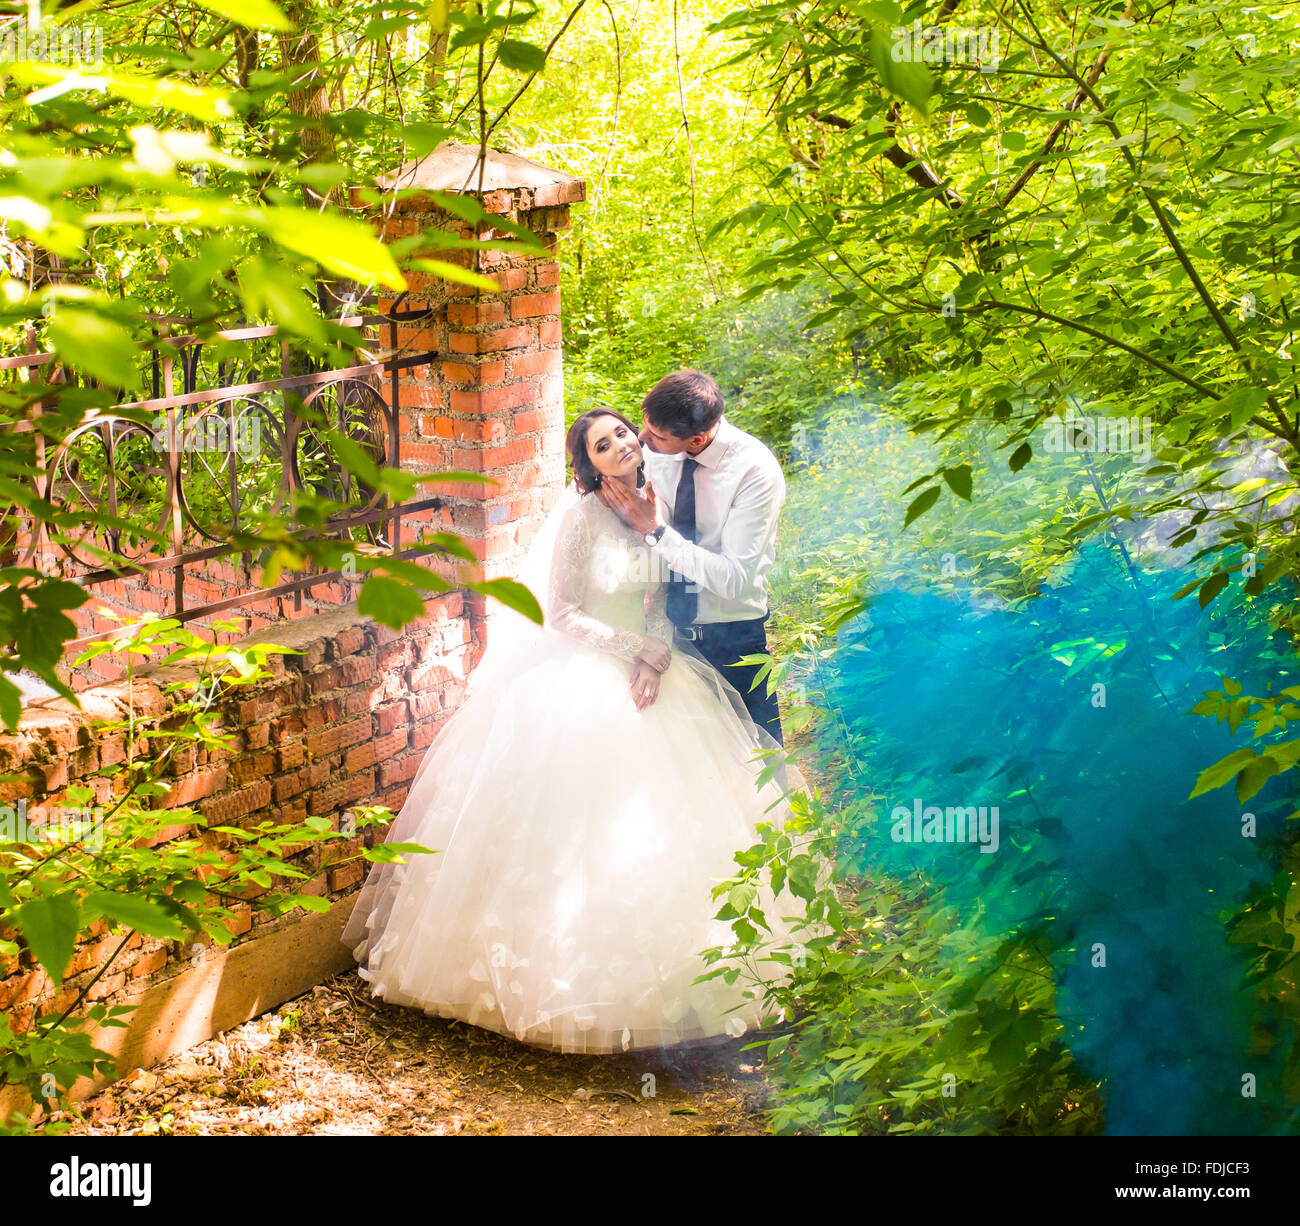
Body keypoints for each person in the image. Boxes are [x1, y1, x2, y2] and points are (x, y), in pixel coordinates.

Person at [340, 407, 817, 1055]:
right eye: (602, 442)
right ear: (587, 463)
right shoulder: (579, 520)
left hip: (658, 664)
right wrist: (630, 651)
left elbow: (660, 593)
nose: (620, 443)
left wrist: (657, 649)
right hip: (586, 672)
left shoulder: (653, 502)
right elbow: (560, 612)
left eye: (624, 432)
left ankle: (707, 965)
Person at [597, 370, 786, 744]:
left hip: (732, 638)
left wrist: (655, 532)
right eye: (644, 425)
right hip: (664, 630)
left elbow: (734, 580)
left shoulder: (754, 470)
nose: (641, 439)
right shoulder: (654, 454)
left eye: (656, 436)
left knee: (761, 759)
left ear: (697, 439)